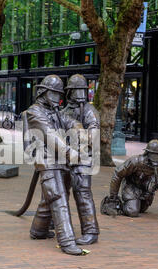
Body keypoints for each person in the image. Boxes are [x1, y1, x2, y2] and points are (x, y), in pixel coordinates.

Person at [27, 75, 87, 255]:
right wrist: (70, 153)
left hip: (61, 159)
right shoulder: (34, 112)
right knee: (58, 198)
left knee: (51, 196)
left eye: (58, 95)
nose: (56, 98)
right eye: (53, 94)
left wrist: (80, 130)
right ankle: (67, 241)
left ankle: (38, 230)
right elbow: (51, 136)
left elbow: (70, 121)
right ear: (43, 92)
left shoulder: (56, 111)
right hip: (46, 159)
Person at [61, 74, 100, 245]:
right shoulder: (64, 110)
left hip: (82, 157)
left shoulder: (90, 111)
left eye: (80, 90)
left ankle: (91, 230)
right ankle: (56, 224)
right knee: (58, 192)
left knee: (83, 193)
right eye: (75, 91)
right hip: (64, 157)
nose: (78, 94)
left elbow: (93, 135)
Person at [103, 139, 158, 223]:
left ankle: (132, 203)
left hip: (147, 193)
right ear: (147, 153)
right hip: (131, 187)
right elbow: (118, 174)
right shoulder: (135, 161)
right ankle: (117, 206)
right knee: (133, 211)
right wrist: (113, 197)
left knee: (141, 210)